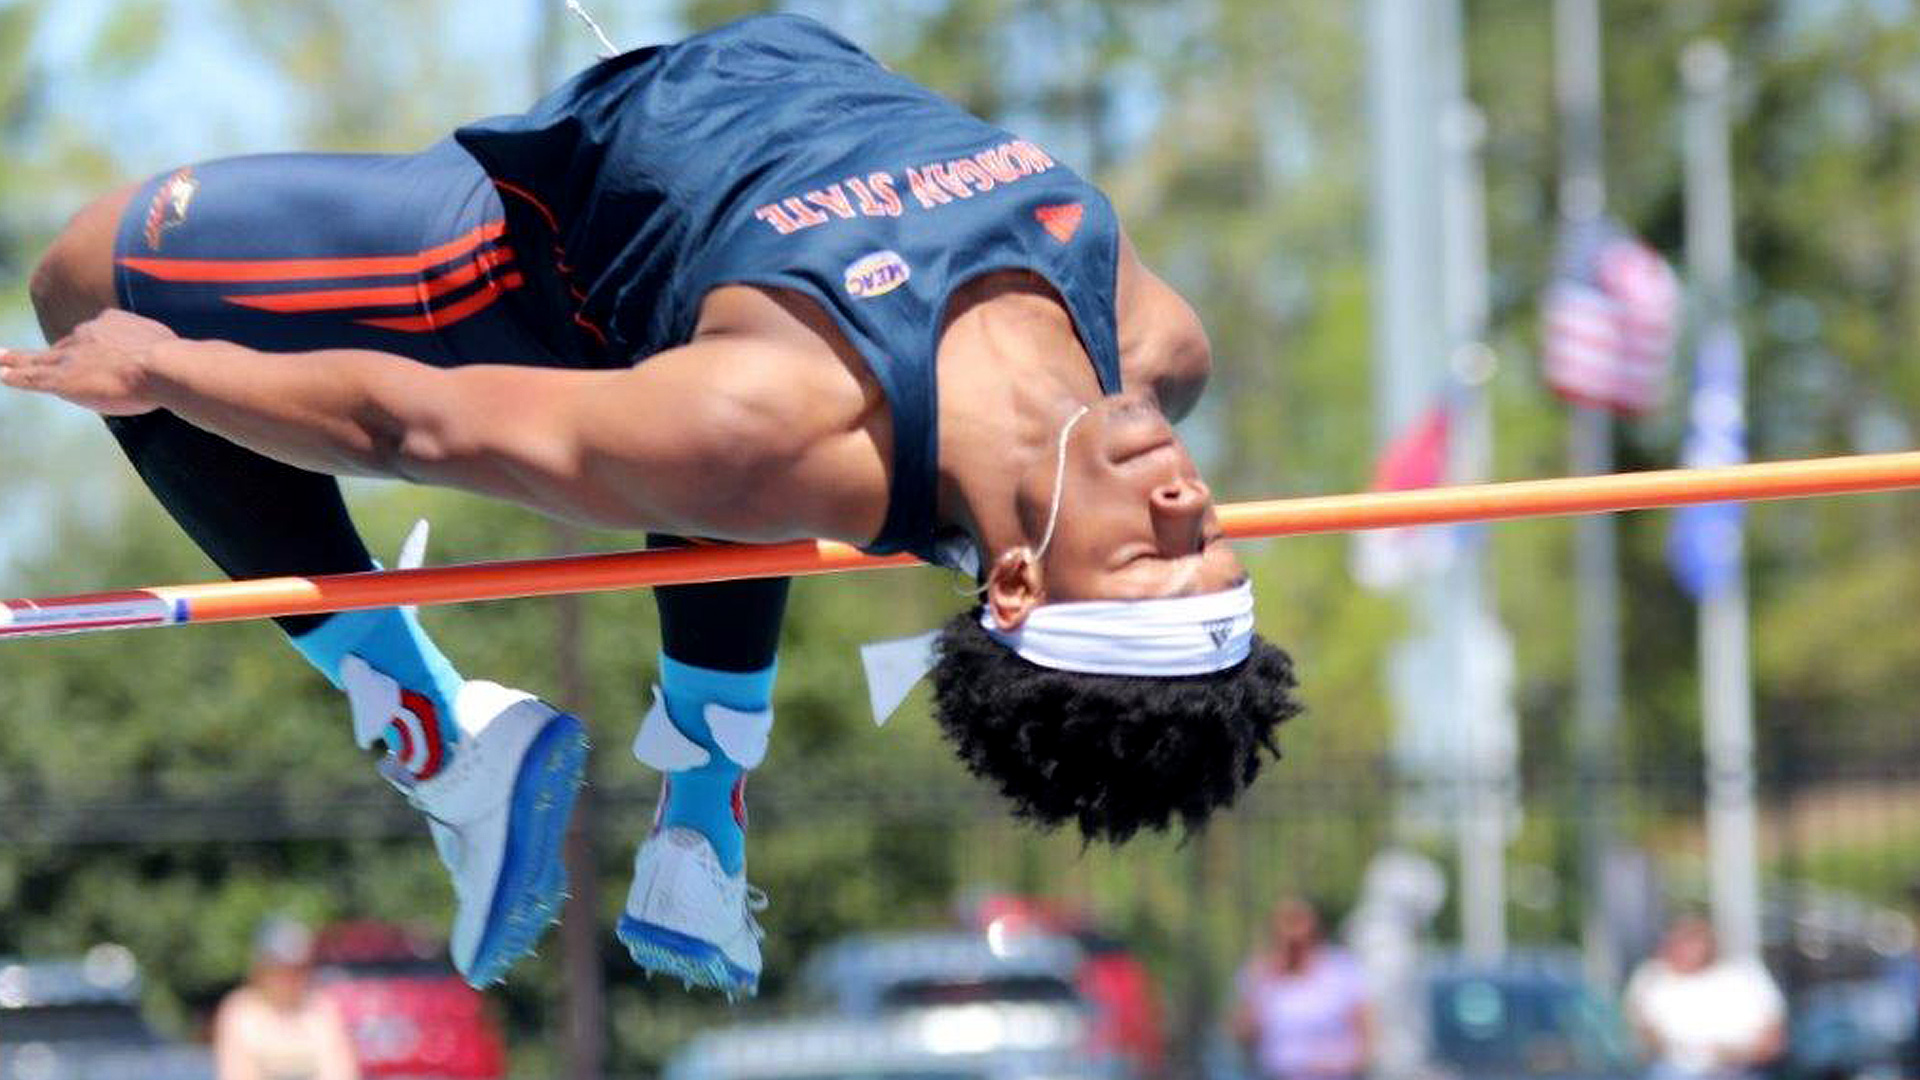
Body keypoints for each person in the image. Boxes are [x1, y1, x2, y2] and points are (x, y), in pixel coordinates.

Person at [8, 12, 1301, 997]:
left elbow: (406, 420)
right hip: (740, 176)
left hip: (536, 250)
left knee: (89, 275)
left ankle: (434, 726)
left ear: (1014, 587)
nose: (1189, 498)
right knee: (730, 451)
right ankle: (701, 814)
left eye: (1151, 556)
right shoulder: (1153, 341)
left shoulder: (774, 425)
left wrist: (163, 368)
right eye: (1216, 544)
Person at [1623, 914, 1786, 1080]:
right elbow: (1640, 1034)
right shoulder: (1651, 977)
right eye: (1679, 941)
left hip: (1742, 1069)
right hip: (1675, 1070)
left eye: (1693, 941)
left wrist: (1731, 1054)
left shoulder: (1745, 975)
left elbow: (1773, 1041)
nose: (1686, 950)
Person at [1230, 897, 1372, 1080]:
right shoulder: (1260, 971)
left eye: (1296, 920)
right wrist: (1258, 984)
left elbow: (1366, 1029)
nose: (1291, 932)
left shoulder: (1341, 969)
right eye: (1284, 922)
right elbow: (1243, 1035)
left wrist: (1349, 1063)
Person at [212, 917, 360, 1080]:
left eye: (297, 968)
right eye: (279, 967)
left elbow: (341, 1071)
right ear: (261, 968)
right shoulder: (239, 1012)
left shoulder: (323, 1008)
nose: (288, 976)